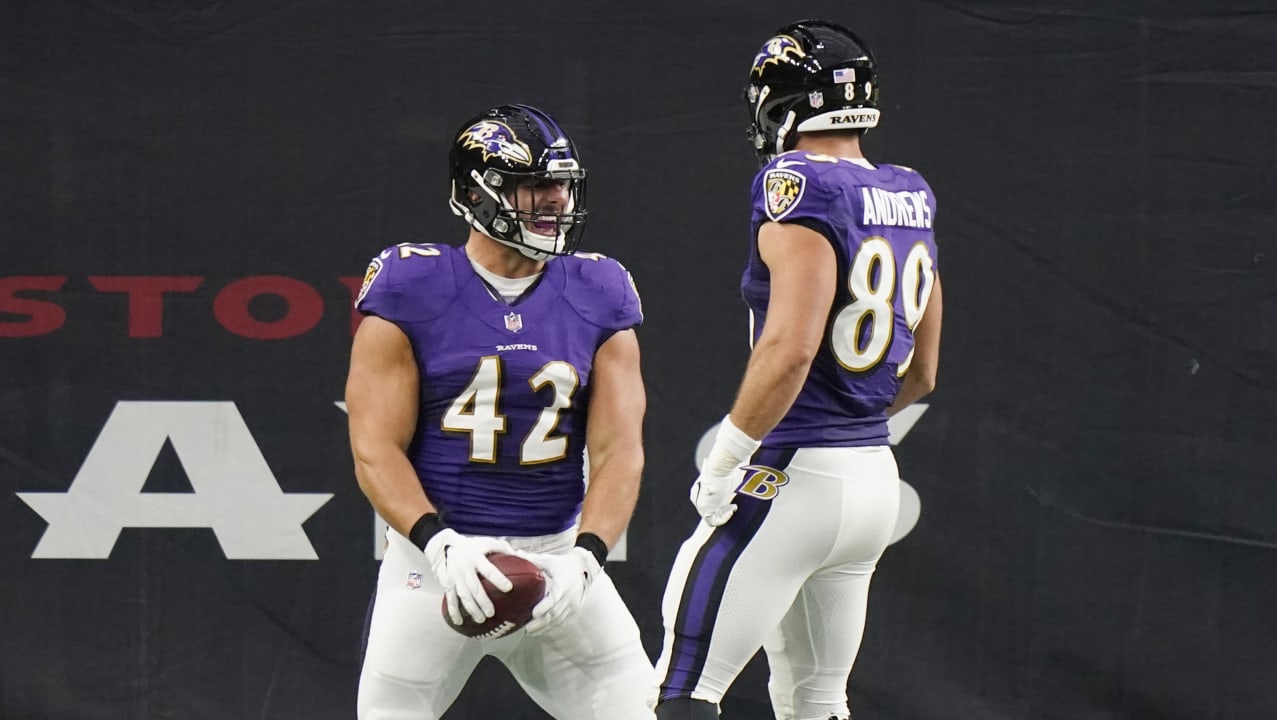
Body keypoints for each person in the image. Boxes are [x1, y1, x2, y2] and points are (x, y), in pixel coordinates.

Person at [653, 20, 943, 720]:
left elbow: (790, 348)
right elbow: (925, 370)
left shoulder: (796, 183)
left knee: (685, 693)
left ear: (781, 102)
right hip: (872, 474)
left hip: (792, 474)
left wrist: (728, 459)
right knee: (817, 703)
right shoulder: (909, 191)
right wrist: (852, 422)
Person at [347, 103, 655, 719]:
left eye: (561, 186)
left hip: (560, 560)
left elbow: (621, 449)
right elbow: (373, 446)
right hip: (438, 566)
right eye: (532, 186)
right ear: (475, 193)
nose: (553, 202)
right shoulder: (413, 285)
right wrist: (438, 546)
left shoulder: (600, 289)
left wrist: (587, 559)